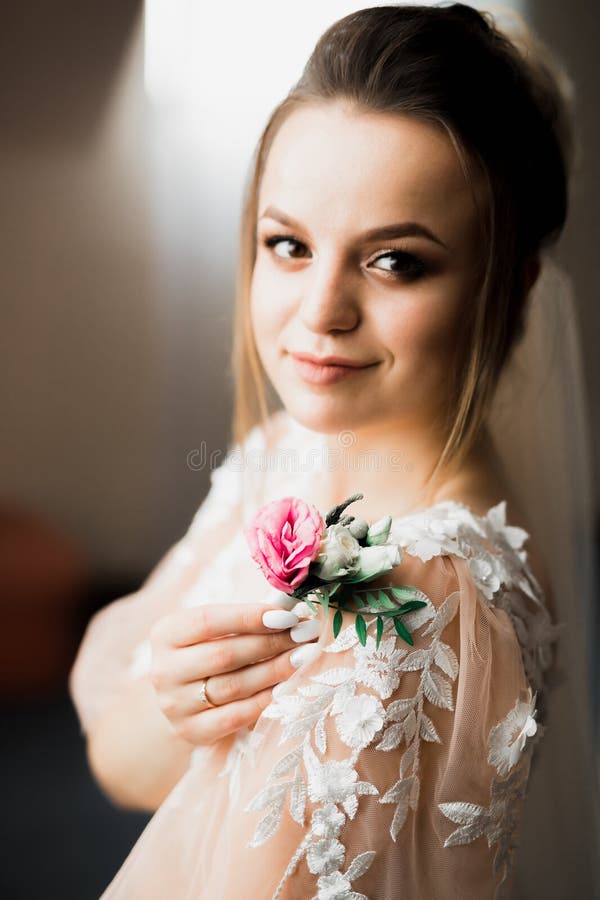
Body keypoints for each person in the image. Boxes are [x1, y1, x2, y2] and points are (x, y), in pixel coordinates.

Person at [69, 4, 600, 898]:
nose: (320, 313)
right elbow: (121, 760)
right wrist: (170, 707)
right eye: (289, 245)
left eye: (395, 261)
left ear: (510, 287)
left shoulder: (414, 600)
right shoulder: (293, 447)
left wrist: (156, 708)